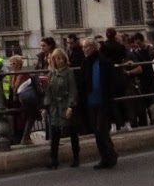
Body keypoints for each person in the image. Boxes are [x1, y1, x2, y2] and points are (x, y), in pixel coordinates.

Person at [77, 37, 118, 169]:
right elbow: (82, 83)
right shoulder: (85, 63)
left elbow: (111, 82)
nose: (84, 49)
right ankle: (107, 156)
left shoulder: (103, 62)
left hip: (103, 101)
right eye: (83, 47)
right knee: (98, 130)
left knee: (101, 129)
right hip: (90, 101)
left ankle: (109, 154)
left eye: (87, 46)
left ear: (94, 47)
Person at [44, 47, 79, 169]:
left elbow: (72, 91)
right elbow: (48, 92)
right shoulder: (51, 73)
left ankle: (76, 157)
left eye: (61, 58)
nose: (59, 61)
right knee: (55, 133)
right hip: (55, 106)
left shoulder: (69, 73)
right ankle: (54, 159)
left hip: (65, 104)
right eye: (56, 59)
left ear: (65, 59)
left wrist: (71, 106)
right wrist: (45, 106)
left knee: (72, 131)